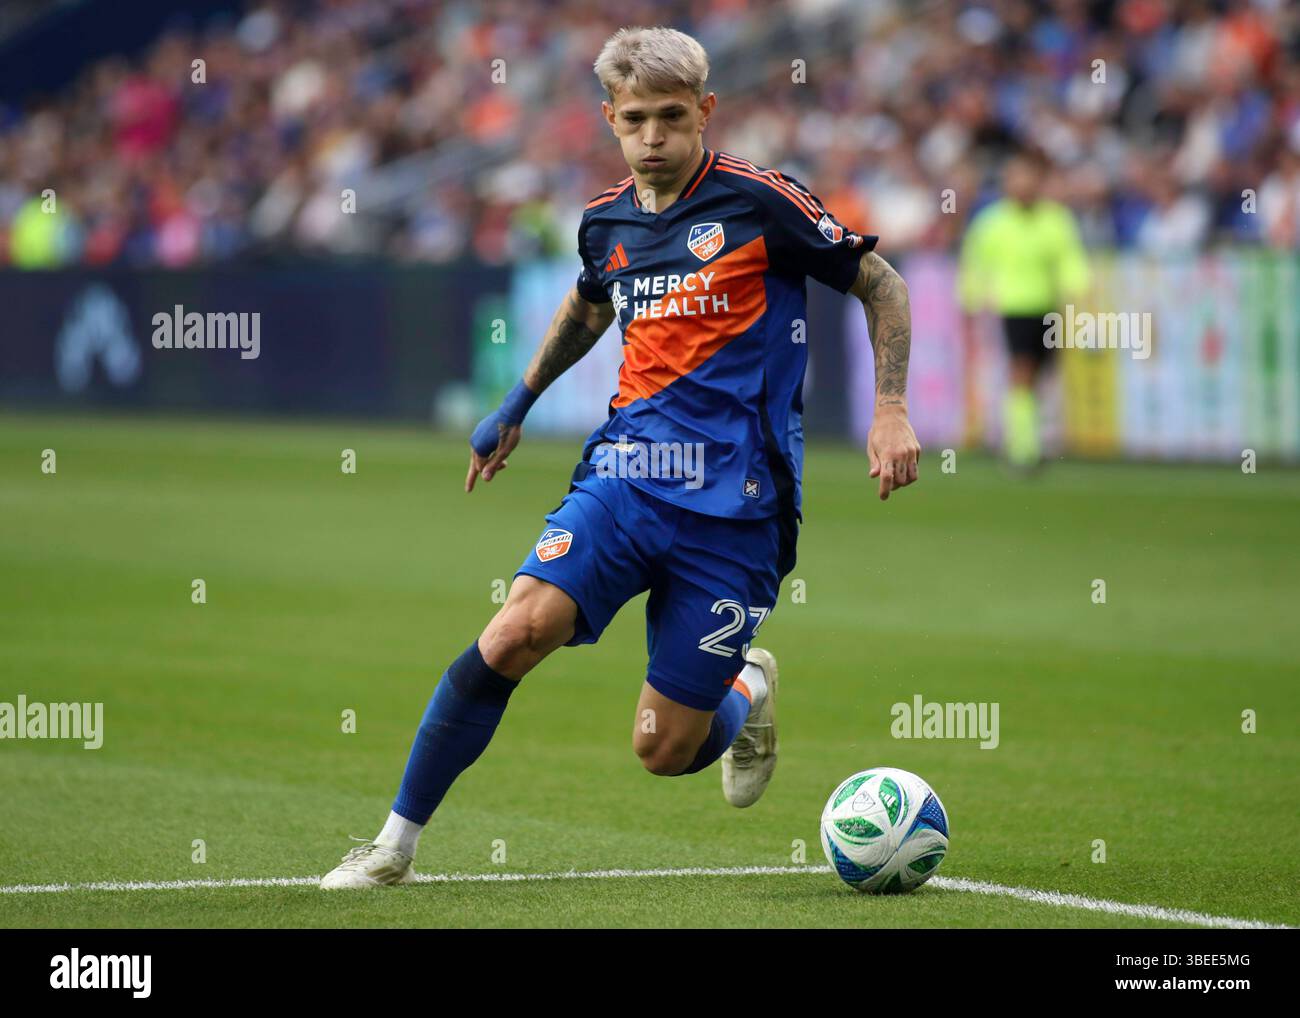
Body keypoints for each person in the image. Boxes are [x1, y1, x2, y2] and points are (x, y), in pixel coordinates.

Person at [322, 25, 919, 889]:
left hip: (740, 508)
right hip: (627, 479)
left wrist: (891, 408)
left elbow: (882, 283)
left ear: (705, 111)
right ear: (609, 118)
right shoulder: (604, 222)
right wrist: (516, 403)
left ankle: (746, 690)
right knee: (516, 628)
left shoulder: (760, 204)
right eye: (635, 119)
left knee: (662, 749)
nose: (653, 138)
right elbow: (588, 305)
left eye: (672, 118)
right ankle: (392, 846)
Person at [957, 147, 1090, 469]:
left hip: (1047, 308)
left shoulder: (1055, 219)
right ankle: (1023, 449)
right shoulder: (992, 222)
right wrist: (971, 299)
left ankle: (1033, 439)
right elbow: (975, 263)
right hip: (1011, 308)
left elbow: (1070, 261)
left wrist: (1078, 293)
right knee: (1021, 373)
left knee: (1041, 379)